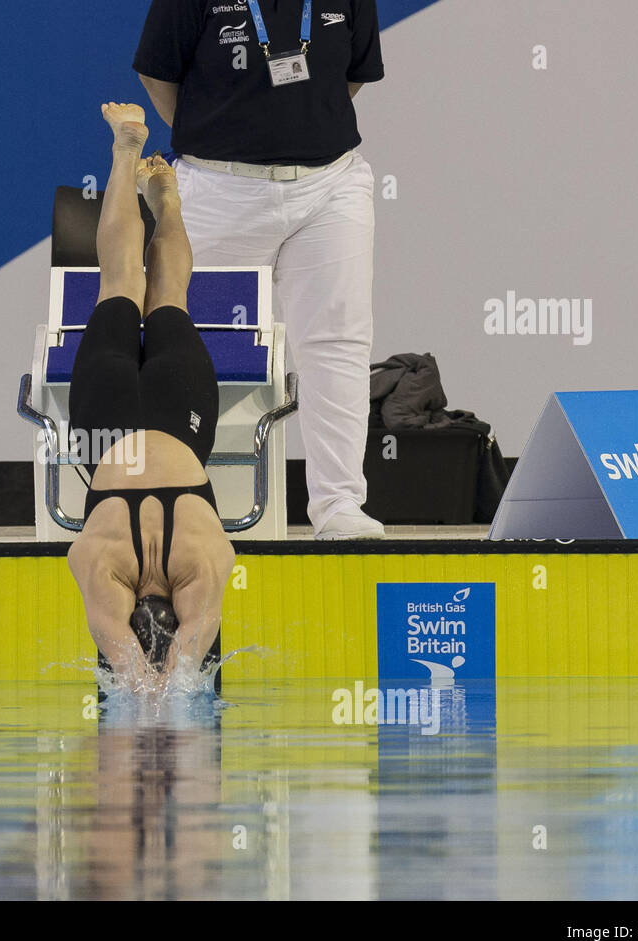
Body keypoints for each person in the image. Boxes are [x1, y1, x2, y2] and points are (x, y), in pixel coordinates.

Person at [134, 0, 387, 539]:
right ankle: (186, 502)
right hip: (215, 188)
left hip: (330, 185)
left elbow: (350, 78)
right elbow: (157, 75)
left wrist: (295, 136)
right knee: (191, 345)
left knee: (337, 342)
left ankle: (339, 505)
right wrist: (221, 130)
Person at [66, 102, 235, 690]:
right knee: (119, 282)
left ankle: (163, 198)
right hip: (107, 424)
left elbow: (180, 654)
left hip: (177, 420)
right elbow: (139, 661)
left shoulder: (207, 562)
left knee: (167, 295)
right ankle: (124, 152)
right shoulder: (96, 564)